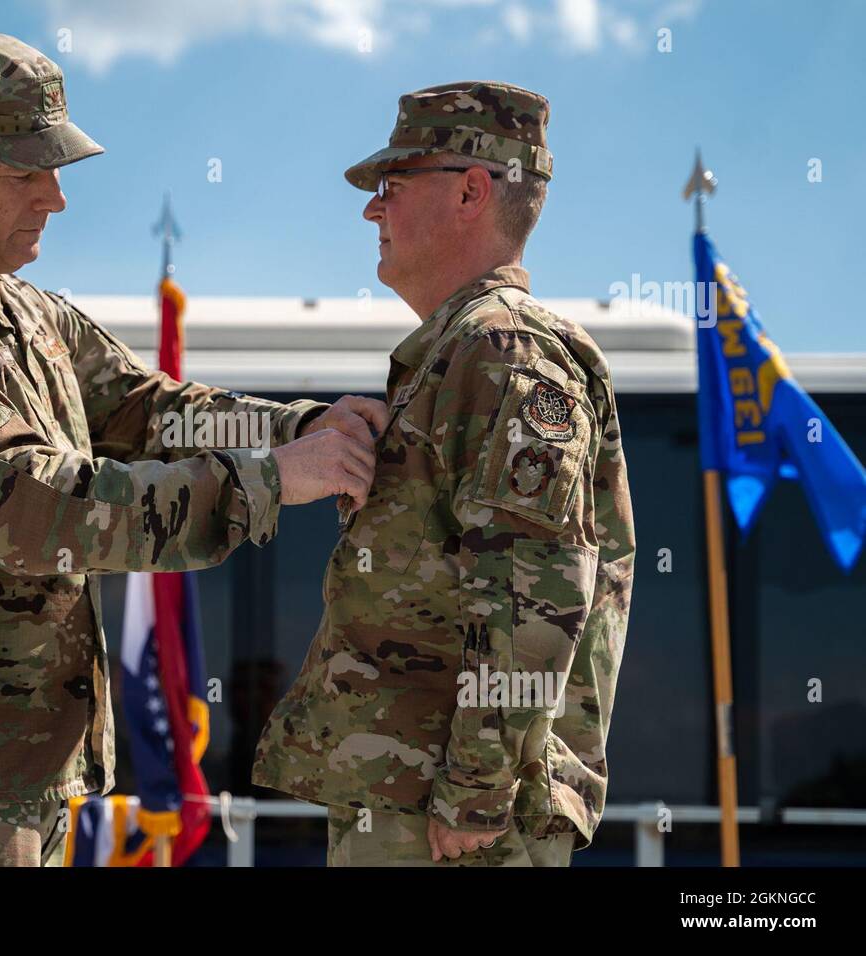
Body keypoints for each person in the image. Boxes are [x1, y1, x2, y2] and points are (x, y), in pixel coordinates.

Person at [0, 29, 386, 866]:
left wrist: (303, 429)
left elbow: (154, 412)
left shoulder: (25, 313)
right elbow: (25, 509)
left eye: (56, 168)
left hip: (12, 785)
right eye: (23, 172)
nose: (56, 198)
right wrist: (270, 481)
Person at [253, 81, 636, 867]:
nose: (372, 211)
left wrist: (477, 791)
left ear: (471, 190)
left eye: (392, 186)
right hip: (416, 804)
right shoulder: (463, 350)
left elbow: (536, 585)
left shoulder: (503, 351)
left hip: (446, 823)